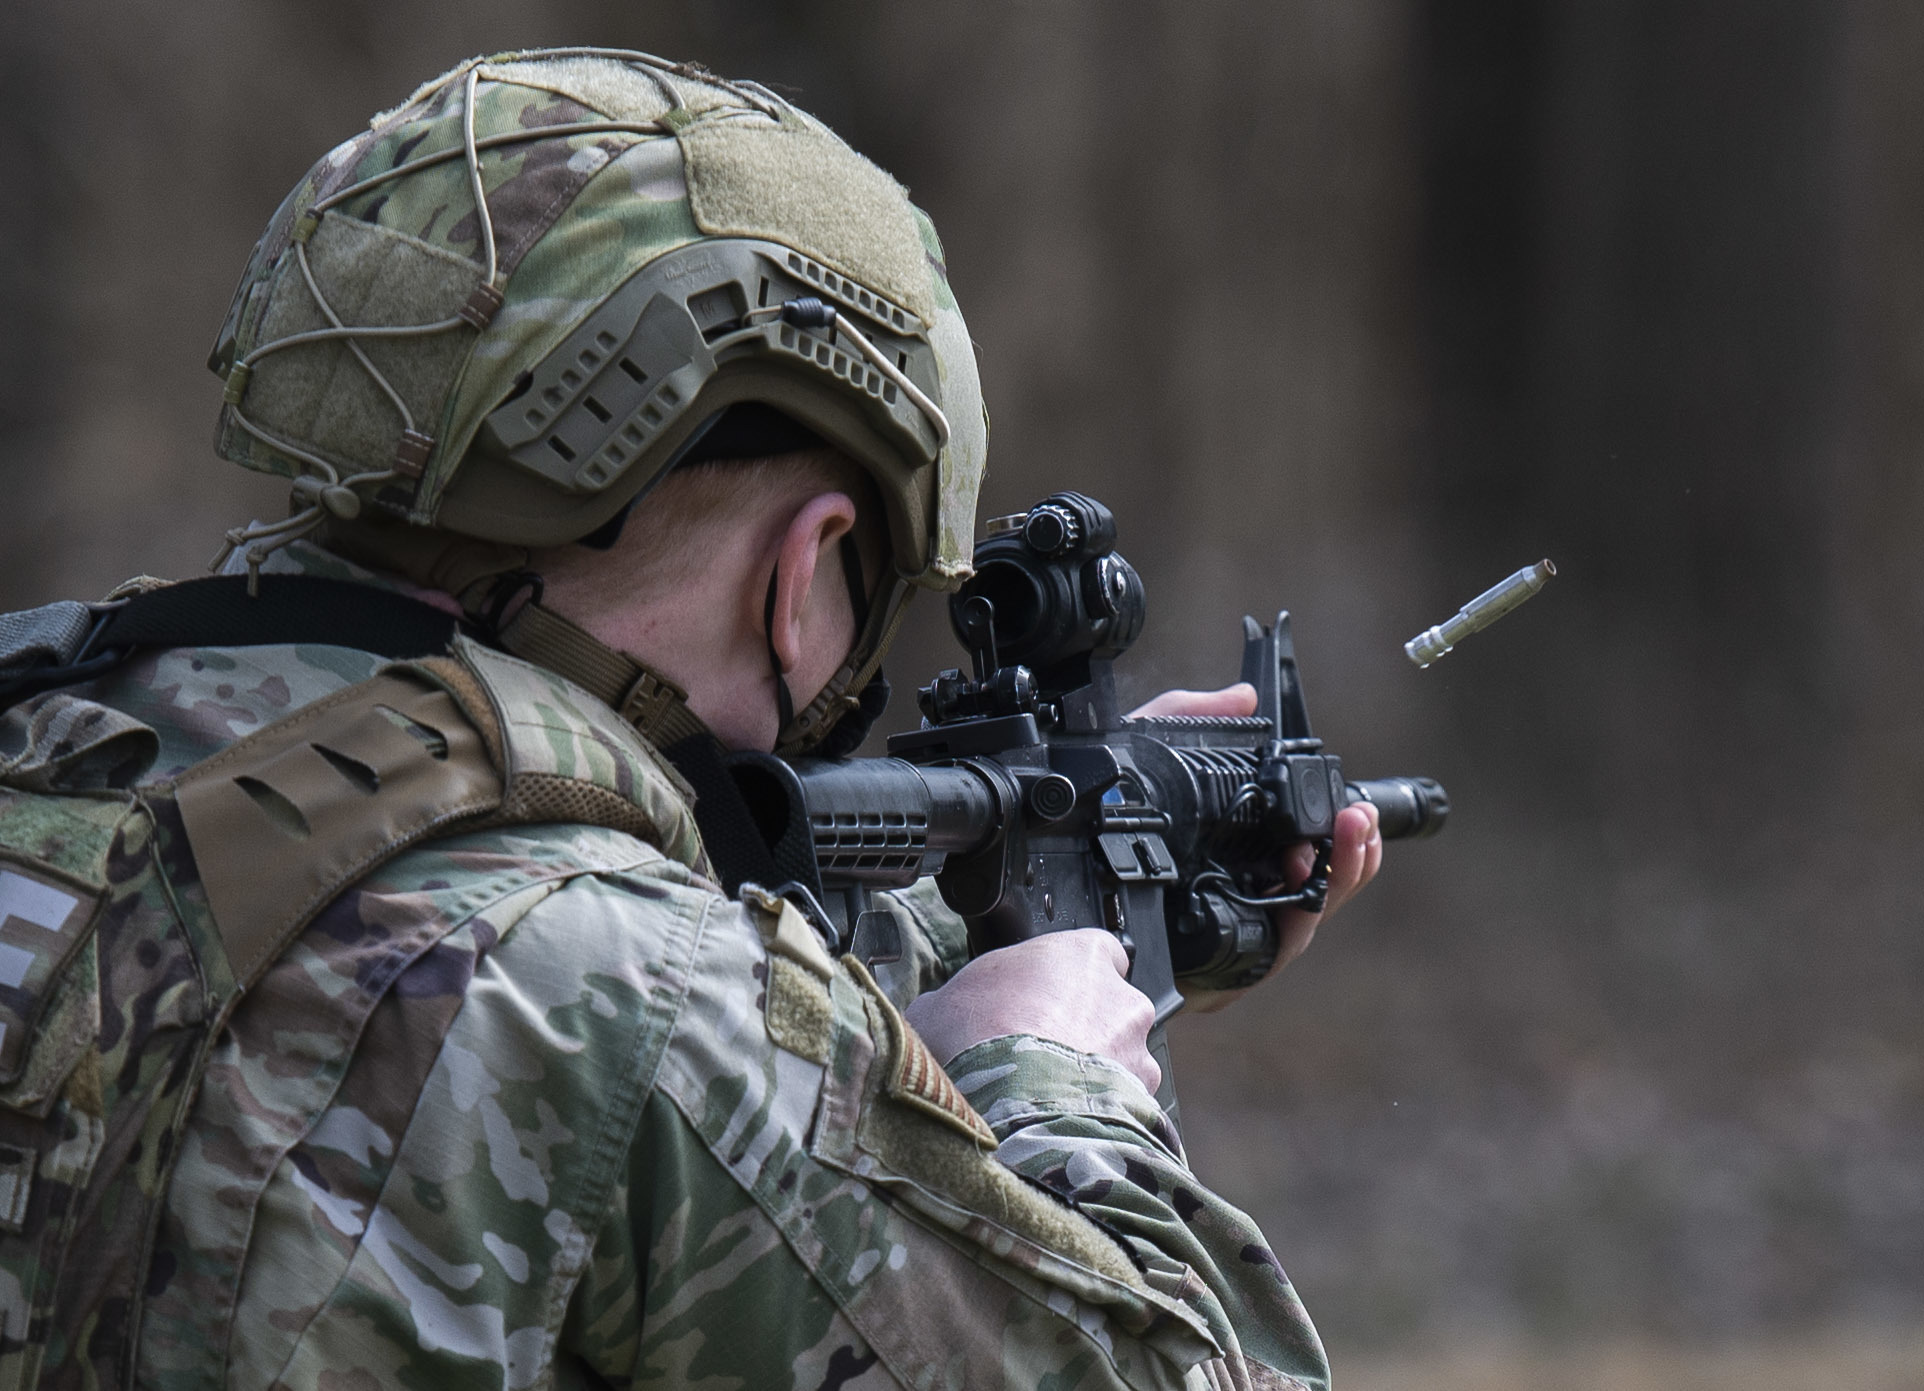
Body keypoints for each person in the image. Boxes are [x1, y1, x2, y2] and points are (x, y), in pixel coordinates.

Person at [0, 49, 1379, 1390]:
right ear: (805, 570)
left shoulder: (52, 731)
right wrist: (1059, 1084)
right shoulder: (626, 993)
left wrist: (1020, 932)